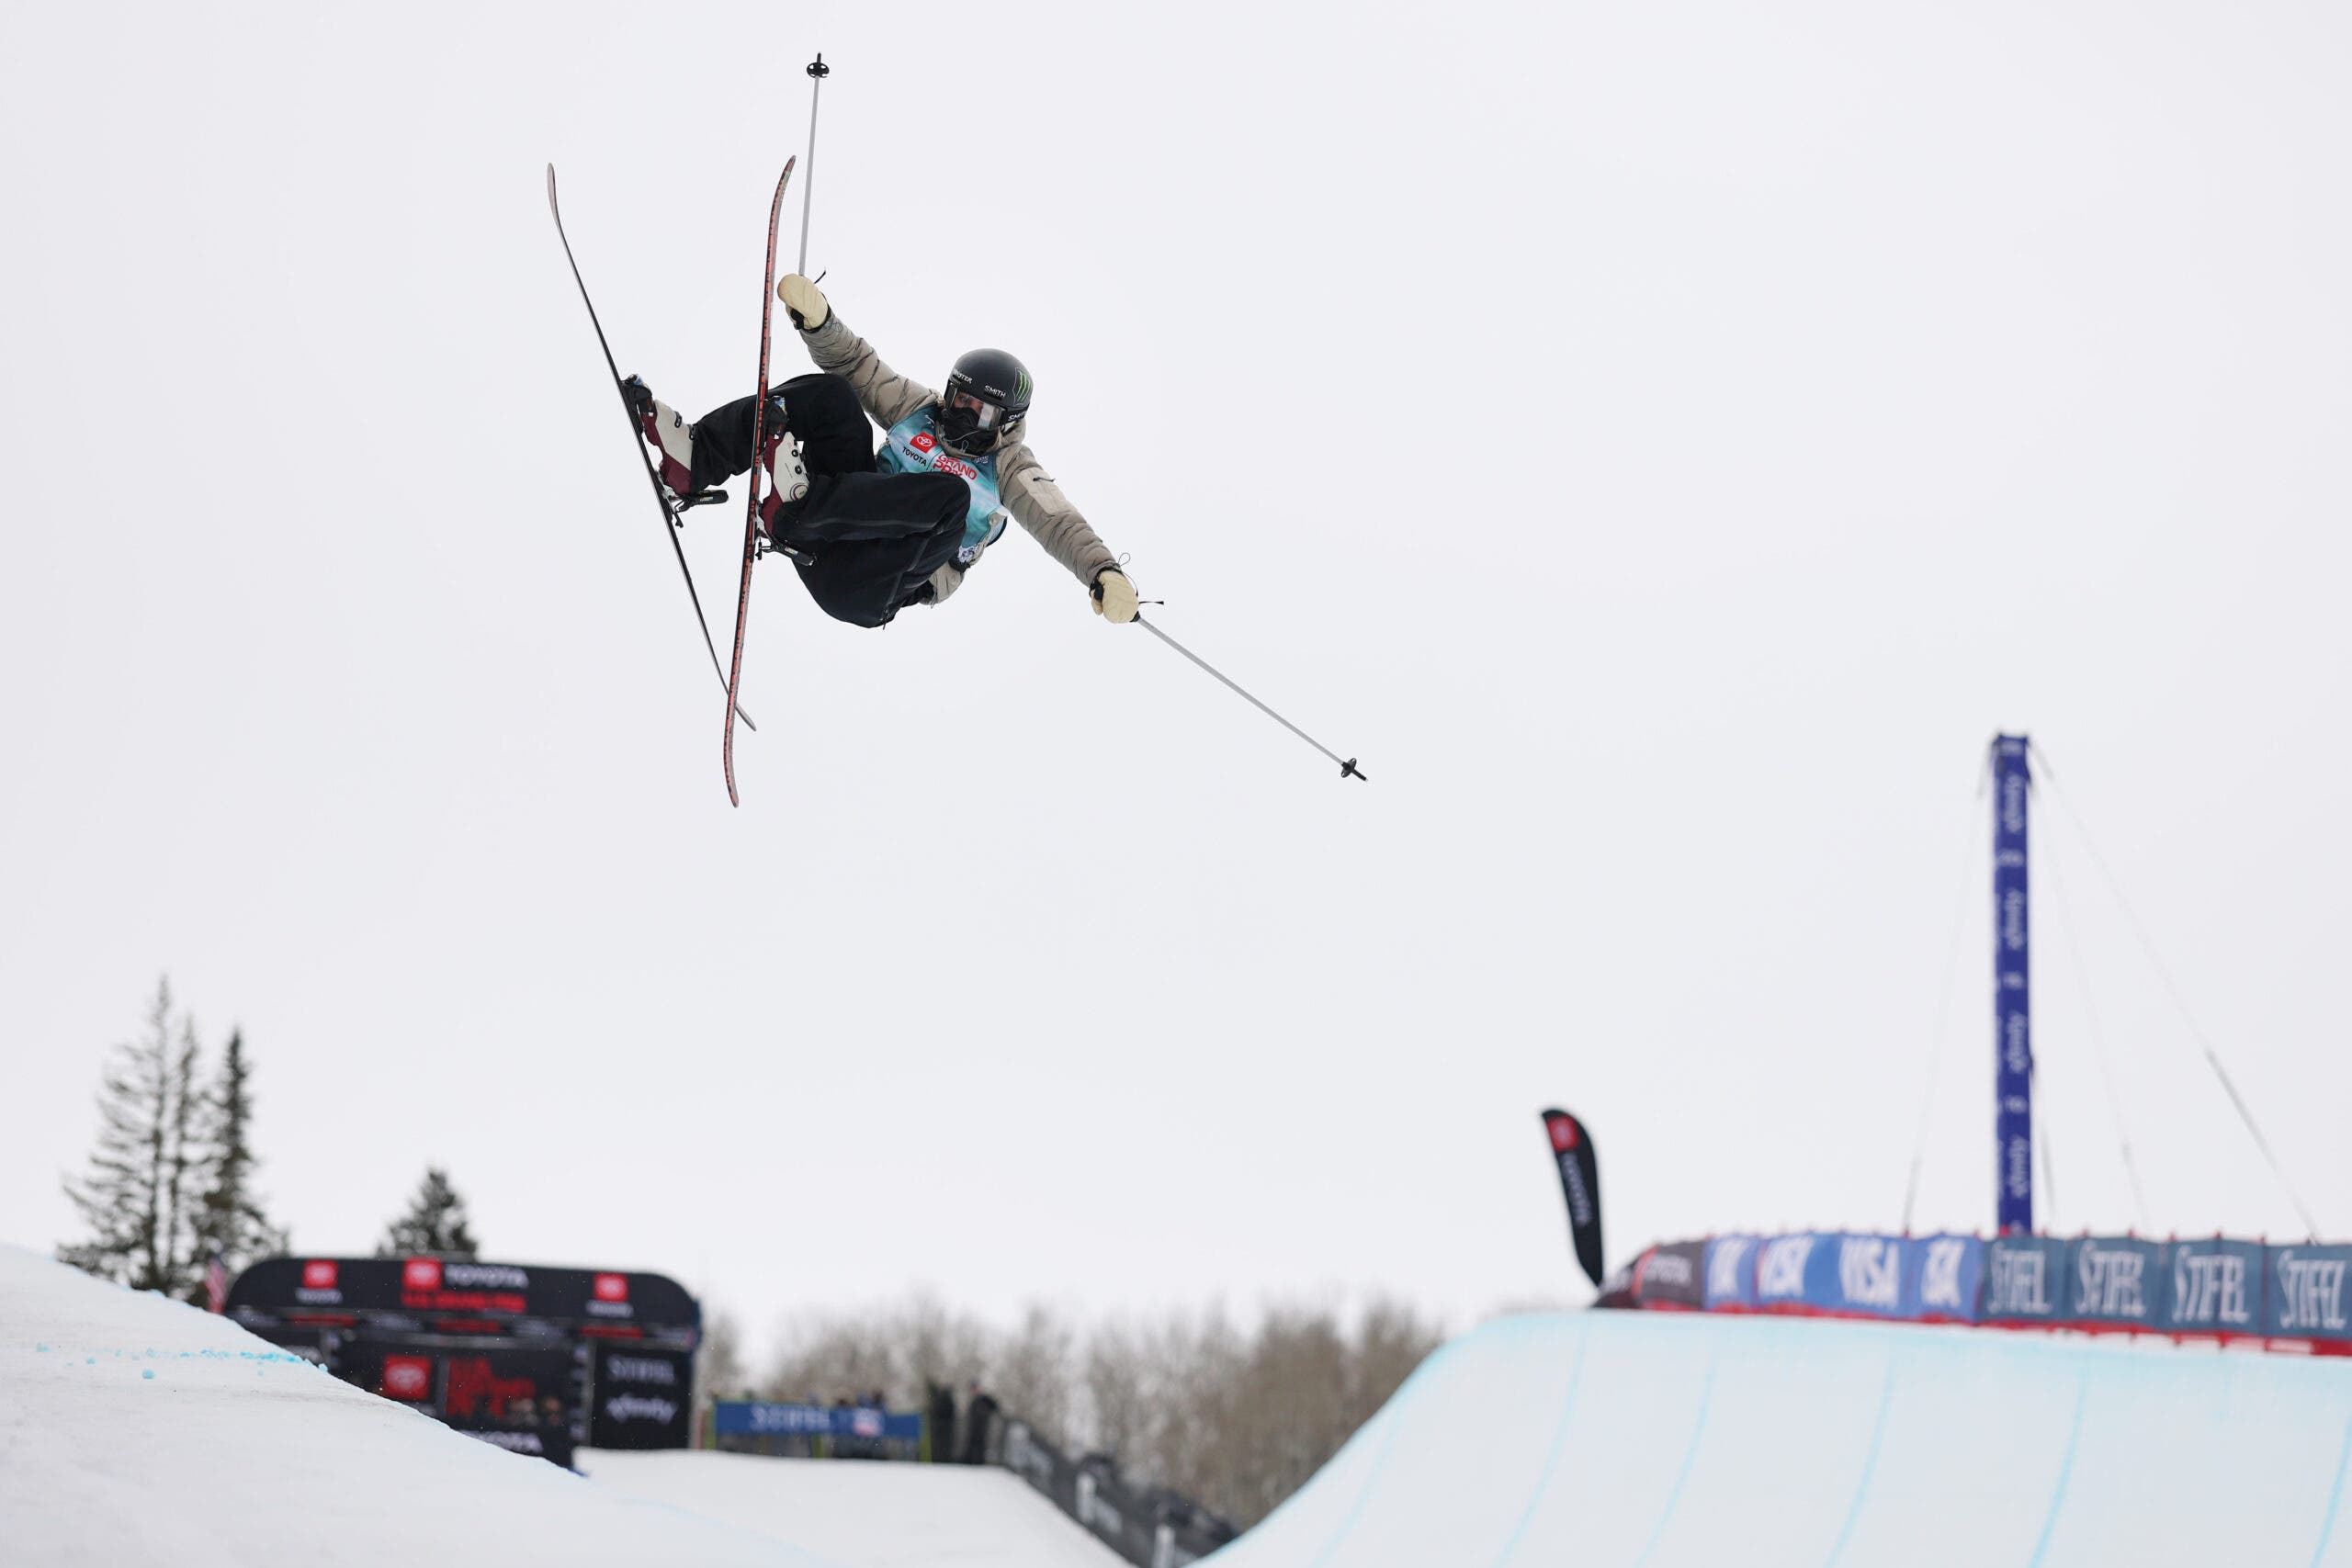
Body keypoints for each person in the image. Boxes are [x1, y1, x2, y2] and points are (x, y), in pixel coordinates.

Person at [623, 273, 1138, 632]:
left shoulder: (1012, 469)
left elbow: (1059, 523)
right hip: (827, 529)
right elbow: (858, 367)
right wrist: (820, 322)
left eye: (979, 412)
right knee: (834, 395)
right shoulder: (922, 410)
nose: (961, 415)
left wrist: (1103, 571)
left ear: (1005, 422)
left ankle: (798, 508)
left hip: (869, 583)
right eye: (959, 399)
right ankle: (696, 460)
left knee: (952, 499)